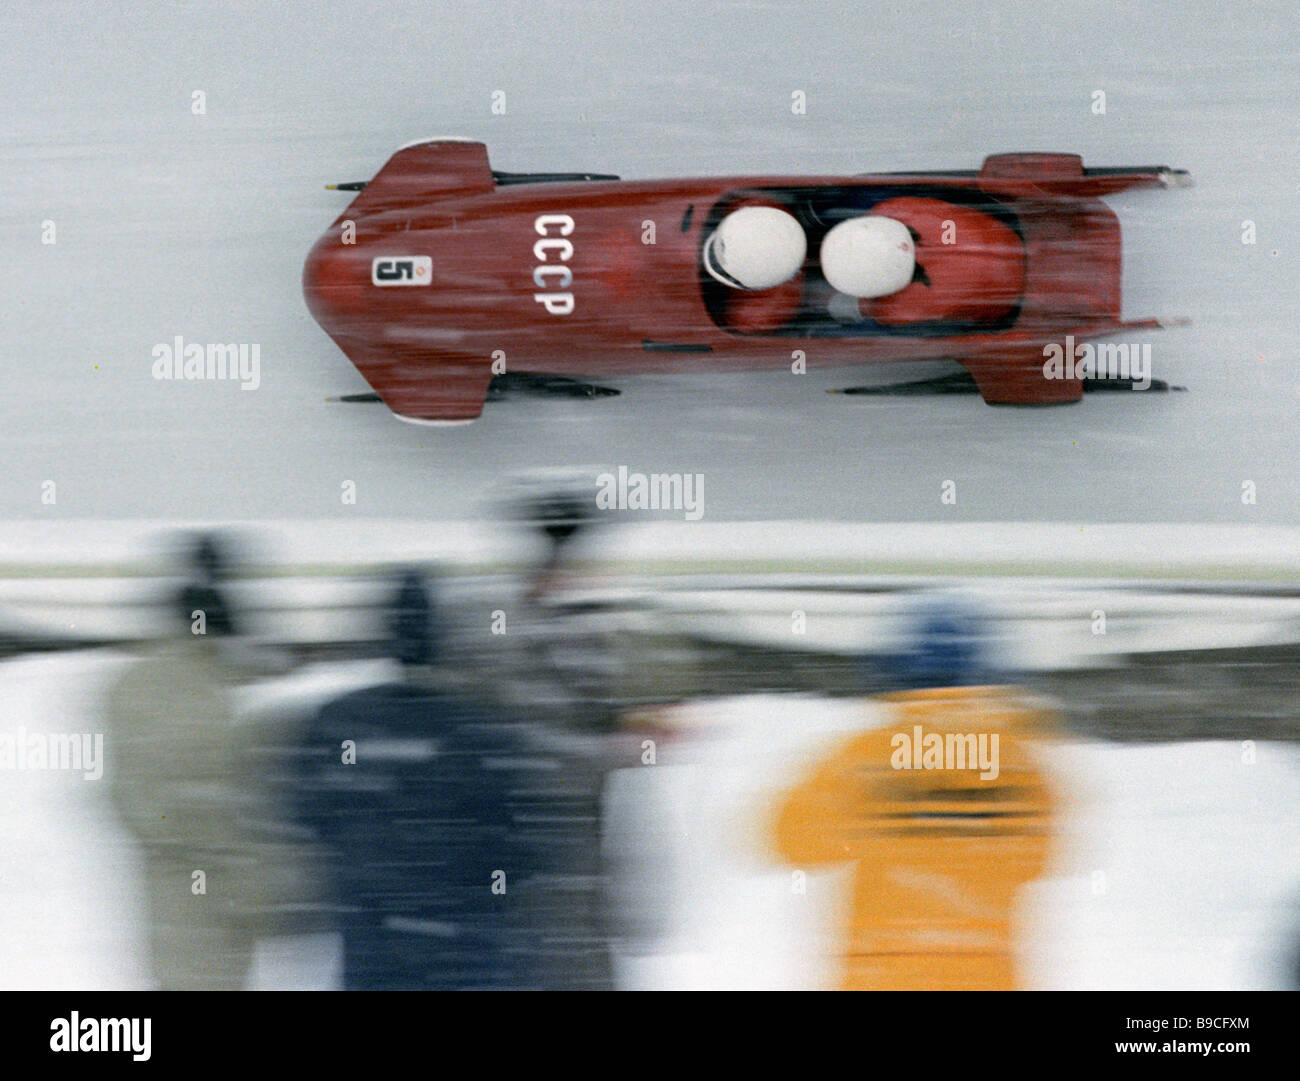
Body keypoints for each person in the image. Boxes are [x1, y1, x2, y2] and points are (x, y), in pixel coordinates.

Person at [295, 568, 538, 990]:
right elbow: (517, 845)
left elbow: (306, 812)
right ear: (440, 639)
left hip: (372, 940)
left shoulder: (338, 721)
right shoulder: (475, 728)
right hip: (459, 945)